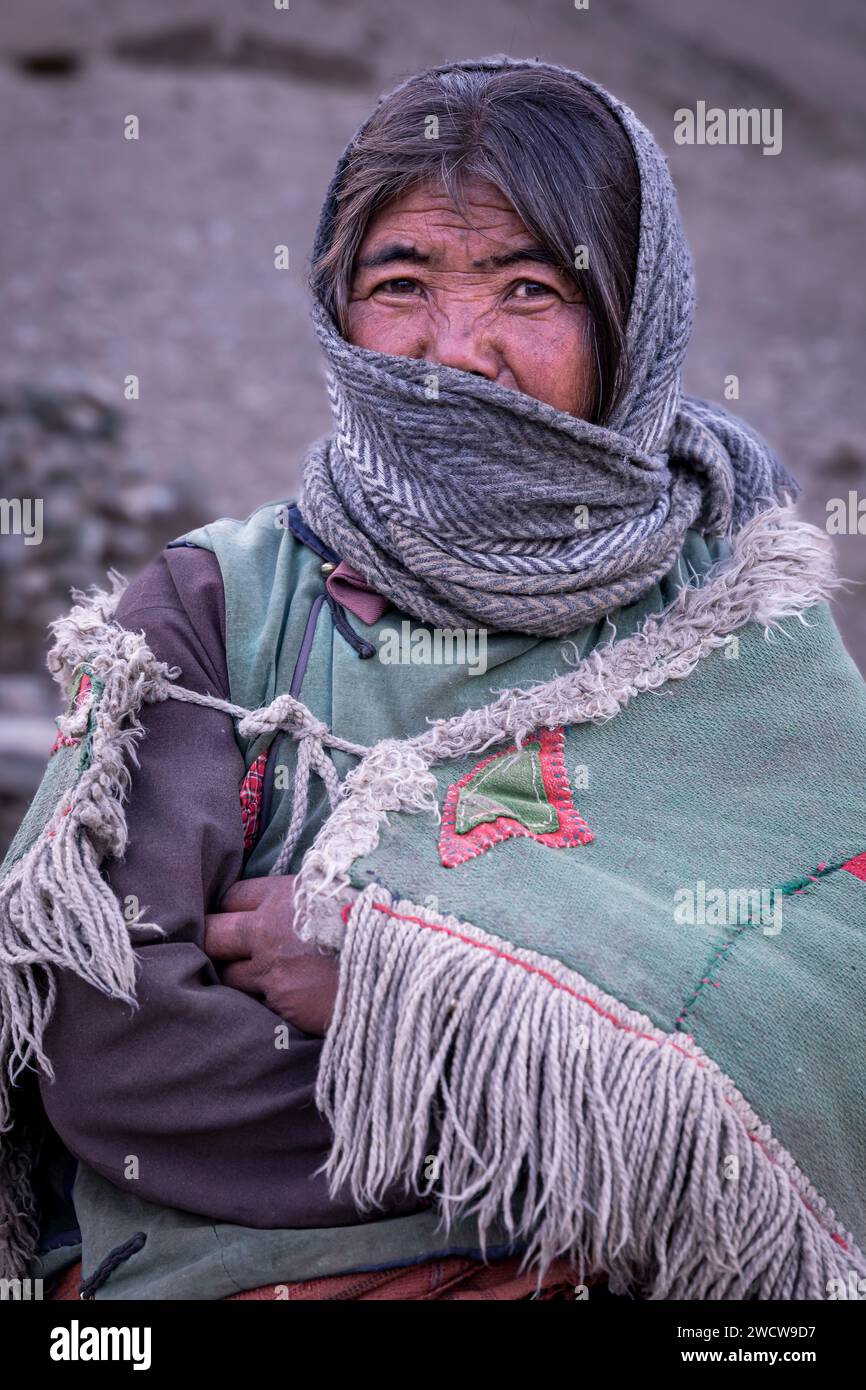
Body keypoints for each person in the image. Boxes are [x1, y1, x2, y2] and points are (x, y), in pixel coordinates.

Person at [2, 55, 864, 1302]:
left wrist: (395, 988)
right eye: (400, 283)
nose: (454, 352)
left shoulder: (741, 630)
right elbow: (116, 1049)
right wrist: (605, 1123)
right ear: (337, 308)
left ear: (633, 318)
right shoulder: (213, 613)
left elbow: (825, 1019)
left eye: (527, 286)